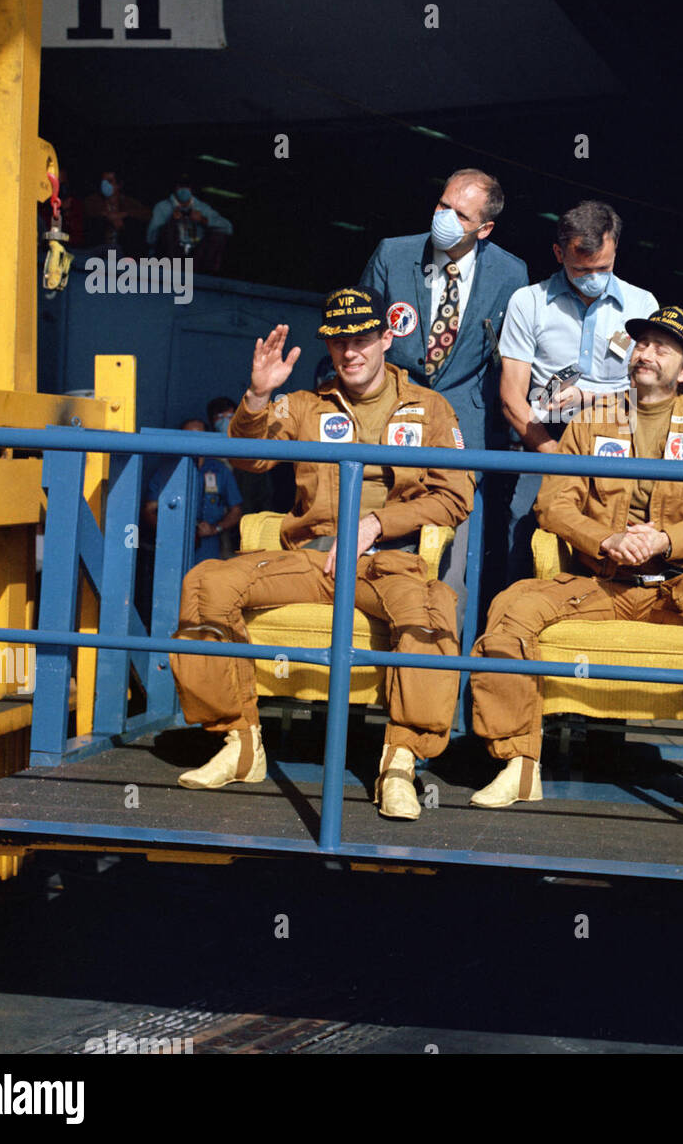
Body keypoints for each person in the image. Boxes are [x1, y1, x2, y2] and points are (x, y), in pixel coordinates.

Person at [169, 286, 475, 821]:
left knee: (432, 611)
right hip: (310, 556)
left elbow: (455, 494)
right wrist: (258, 396)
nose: (349, 352)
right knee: (206, 583)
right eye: (337, 342)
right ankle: (239, 743)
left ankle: (400, 761)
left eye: (360, 338)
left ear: (385, 338)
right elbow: (248, 457)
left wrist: (379, 523)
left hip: (389, 559)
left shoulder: (428, 407)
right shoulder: (306, 405)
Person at [468, 306, 683, 826]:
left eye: (663, 348)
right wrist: (606, 538)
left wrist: (665, 540)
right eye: (642, 344)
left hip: (680, 584)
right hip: (598, 580)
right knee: (509, 611)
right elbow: (552, 505)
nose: (646, 354)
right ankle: (518, 762)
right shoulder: (592, 419)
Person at [359, 169, 528, 611]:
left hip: (461, 436)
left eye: (460, 213)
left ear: (485, 228)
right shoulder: (393, 254)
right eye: (442, 205)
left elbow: (508, 360)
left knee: (450, 574)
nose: (445, 218)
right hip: (386, 428)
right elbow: (362, 336)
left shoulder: (511, 274)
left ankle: (440, 673)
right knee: (375, 556)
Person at [498, 200, 659, 577]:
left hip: (623, 445)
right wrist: (554, 456)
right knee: (526, 549)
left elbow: (652, 394)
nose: (592, 277)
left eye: (603, 268)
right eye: (580, 269)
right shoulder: (529, 303)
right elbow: (511, 397)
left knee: (619, 551)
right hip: (545, 443)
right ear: (558, 253)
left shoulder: (642, 305)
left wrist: (590, 398)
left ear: (616, 248)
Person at [144, 417, 243, 568]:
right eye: (188, 435)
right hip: (173, 546)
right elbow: (149, 510)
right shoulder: (168, 470)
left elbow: (236, 511)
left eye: (199, 435)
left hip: (208, 547)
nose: (194, 440)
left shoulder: (220, 470)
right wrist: (170, 531)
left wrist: (215, 528)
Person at [147, 174, 231, 273]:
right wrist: (172, 220)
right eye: (180, 186)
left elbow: (228, 227)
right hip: (169, 257)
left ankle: (206, 273)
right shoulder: (162, 207)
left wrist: (203, 220)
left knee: (218, 235)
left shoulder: (202, 208)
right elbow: (150, 238)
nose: (183, 190)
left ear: (192, 189)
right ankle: (173, 269)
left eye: (186, 186)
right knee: (168, 228)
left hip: (195, 256)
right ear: (175, 188)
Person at [83, 169, 150, 255]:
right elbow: (90, 210)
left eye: (110, 181)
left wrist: (123, 215)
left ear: (119, 185)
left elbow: (147, 213)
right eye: (103, 181)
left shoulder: (127, 202)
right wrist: (108, 216)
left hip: (123, 253)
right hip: (97, 251)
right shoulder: (94, 200)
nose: (105, 185)